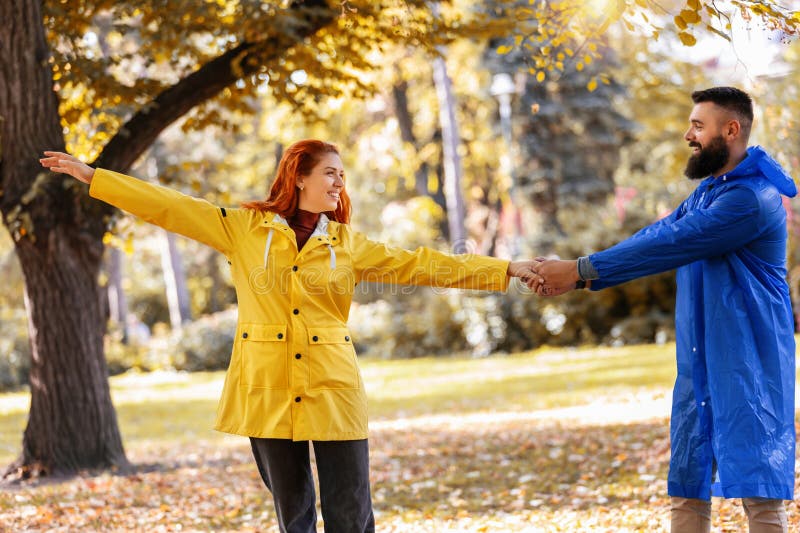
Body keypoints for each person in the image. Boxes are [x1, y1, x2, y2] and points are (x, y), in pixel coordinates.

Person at [41, 140, 538, 533]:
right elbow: (168, 207)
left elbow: (425, 264)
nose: (340, 183)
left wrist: (507, 268)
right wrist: (94, 177)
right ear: (299, 176)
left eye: (343, 176)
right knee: (293, 514)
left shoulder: (347, 244)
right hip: (268, 389)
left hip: (333, 388)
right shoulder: (244, 229)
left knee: (350, 513)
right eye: (330, 173)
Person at [530, 87, 796, 532]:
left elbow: (673, 242)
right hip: (700, 363)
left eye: (698, 125)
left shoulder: (749, 200)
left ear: (731, 130)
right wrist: (581, 273)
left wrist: (578, 270)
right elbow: (655, 235)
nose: (688, 135)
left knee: (761, 495)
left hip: (748, 364)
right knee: (687, 490)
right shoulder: (710, 193)